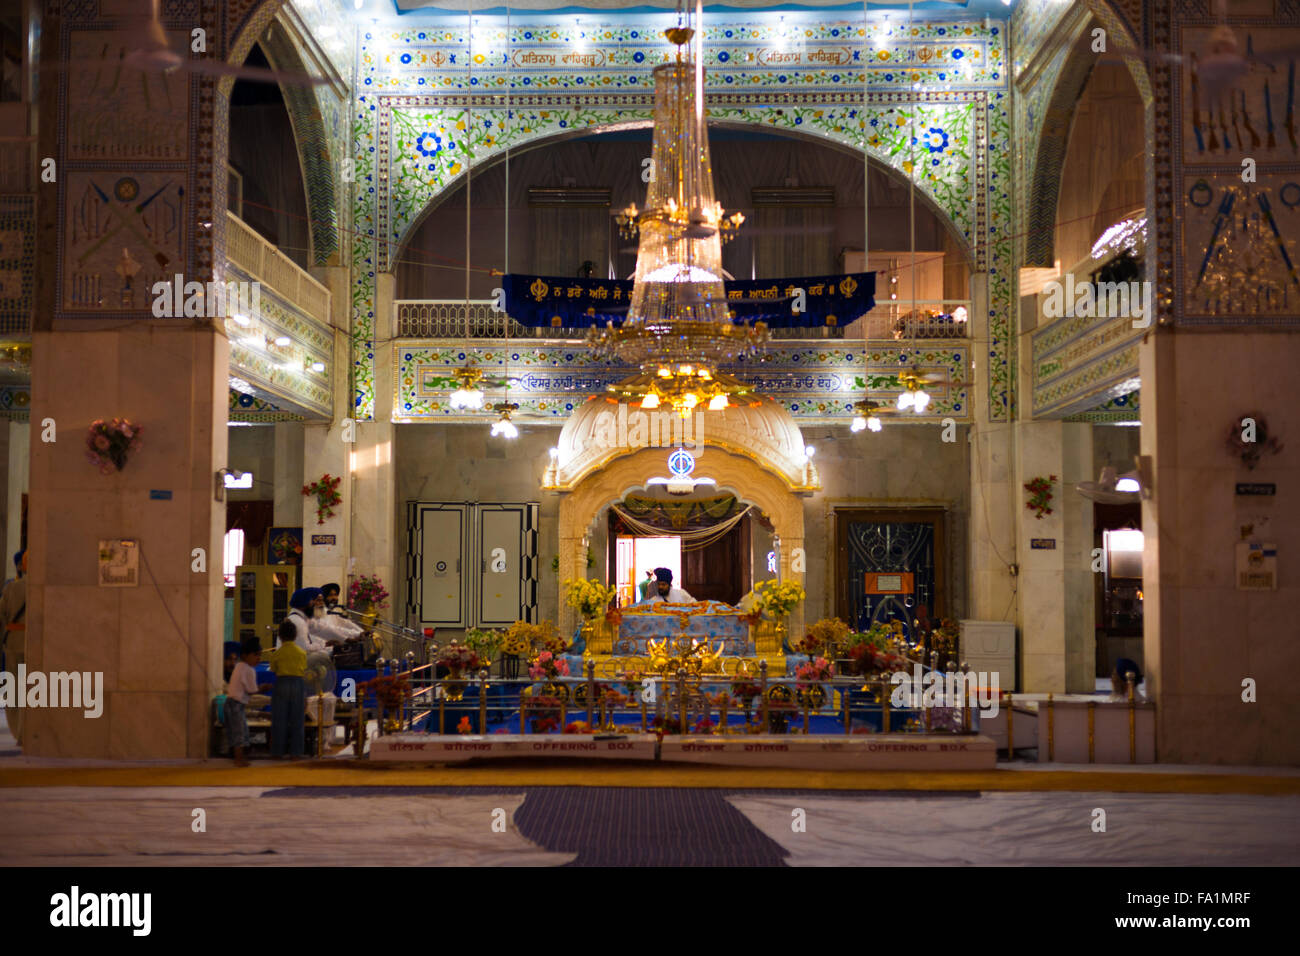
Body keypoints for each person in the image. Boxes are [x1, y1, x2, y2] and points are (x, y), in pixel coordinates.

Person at [226, 638, 271, 766]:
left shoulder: (239, 666)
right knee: (240, 732)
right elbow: (251, 691)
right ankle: (239, 759)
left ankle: (238, 757)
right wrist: (263, 688)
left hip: (230, 703)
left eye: (260, 655)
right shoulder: (248, 669)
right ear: (245, 655)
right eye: (256, 655)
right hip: (236, 705)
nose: (258, 658)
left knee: (238, 731)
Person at [268, 619, 307, 759]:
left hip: (282, 683)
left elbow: (273, 669)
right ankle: (296, 753)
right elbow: (304, 668)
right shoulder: (301, 653)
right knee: (297, 720)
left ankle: (278, 752)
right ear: (295, 635)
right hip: (298, 684)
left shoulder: (276, 654)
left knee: (279, 720)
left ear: (280, 636)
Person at [0, 550, 26, 742]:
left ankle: (17, 731)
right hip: (33, 645)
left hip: (13, 643)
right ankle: (26, 731)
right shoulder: (42, 589)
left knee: (13, 691)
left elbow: (2, 615)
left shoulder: (11, 588)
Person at [283, 587, 329, 653]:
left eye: (322, 600)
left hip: (298, 658)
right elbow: (305, 648)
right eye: (318, 600)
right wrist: (323, 645)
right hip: (294, 660)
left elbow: (322, 629)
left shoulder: (303, 618)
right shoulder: (298, 621)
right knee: (324, 657)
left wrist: (345, 638)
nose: (321, 604)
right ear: (304, 601)